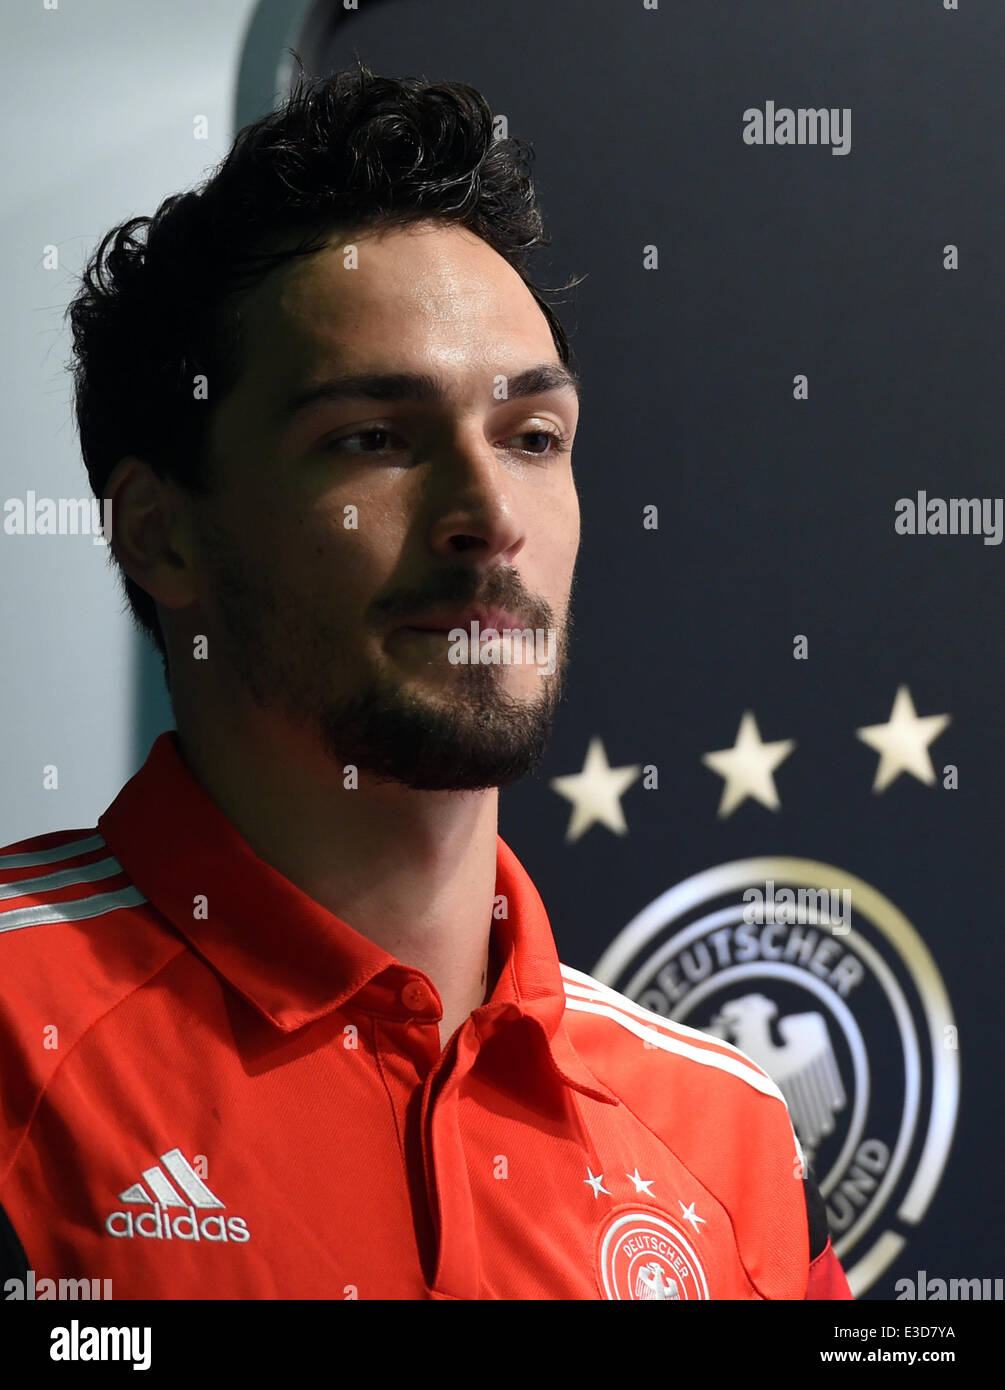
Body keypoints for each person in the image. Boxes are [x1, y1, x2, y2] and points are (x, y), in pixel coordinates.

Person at [0, 59, 851, 1300]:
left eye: (533, 439)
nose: (487, 511)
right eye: (373, 438)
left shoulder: (724, 1128)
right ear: (163, 534)